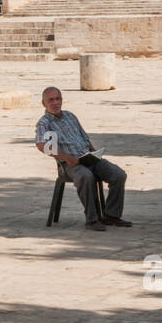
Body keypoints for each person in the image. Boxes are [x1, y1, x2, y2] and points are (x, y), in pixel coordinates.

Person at [35, 86, 132, 232]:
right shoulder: (44, 123)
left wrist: (93, 152)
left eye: (58, 98)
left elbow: (84, 137)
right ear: (43, 103)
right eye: (51, 100)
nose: (55, 102)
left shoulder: (69, 116)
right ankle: (92, 219)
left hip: (87, 158)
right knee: (86, 176)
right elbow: (41, 145)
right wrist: (66, 157)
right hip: (69, 165)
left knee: (118, 174)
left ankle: (111, 215)